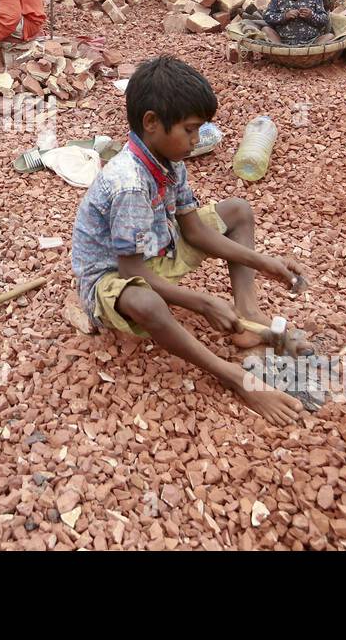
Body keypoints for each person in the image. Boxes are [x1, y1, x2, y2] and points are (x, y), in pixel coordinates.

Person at [70, 56, 310, 426]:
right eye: (191, 130)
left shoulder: (170, 160)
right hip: (113, 274)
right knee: (146, 302)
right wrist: (204, 303)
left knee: (238, 212)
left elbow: (195, 230)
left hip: (155, 245)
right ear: (151, 123)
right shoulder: (129, 183)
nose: (196, 141)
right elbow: (134, 272)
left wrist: (266, 262)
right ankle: (234, 377)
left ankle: (248, 314)